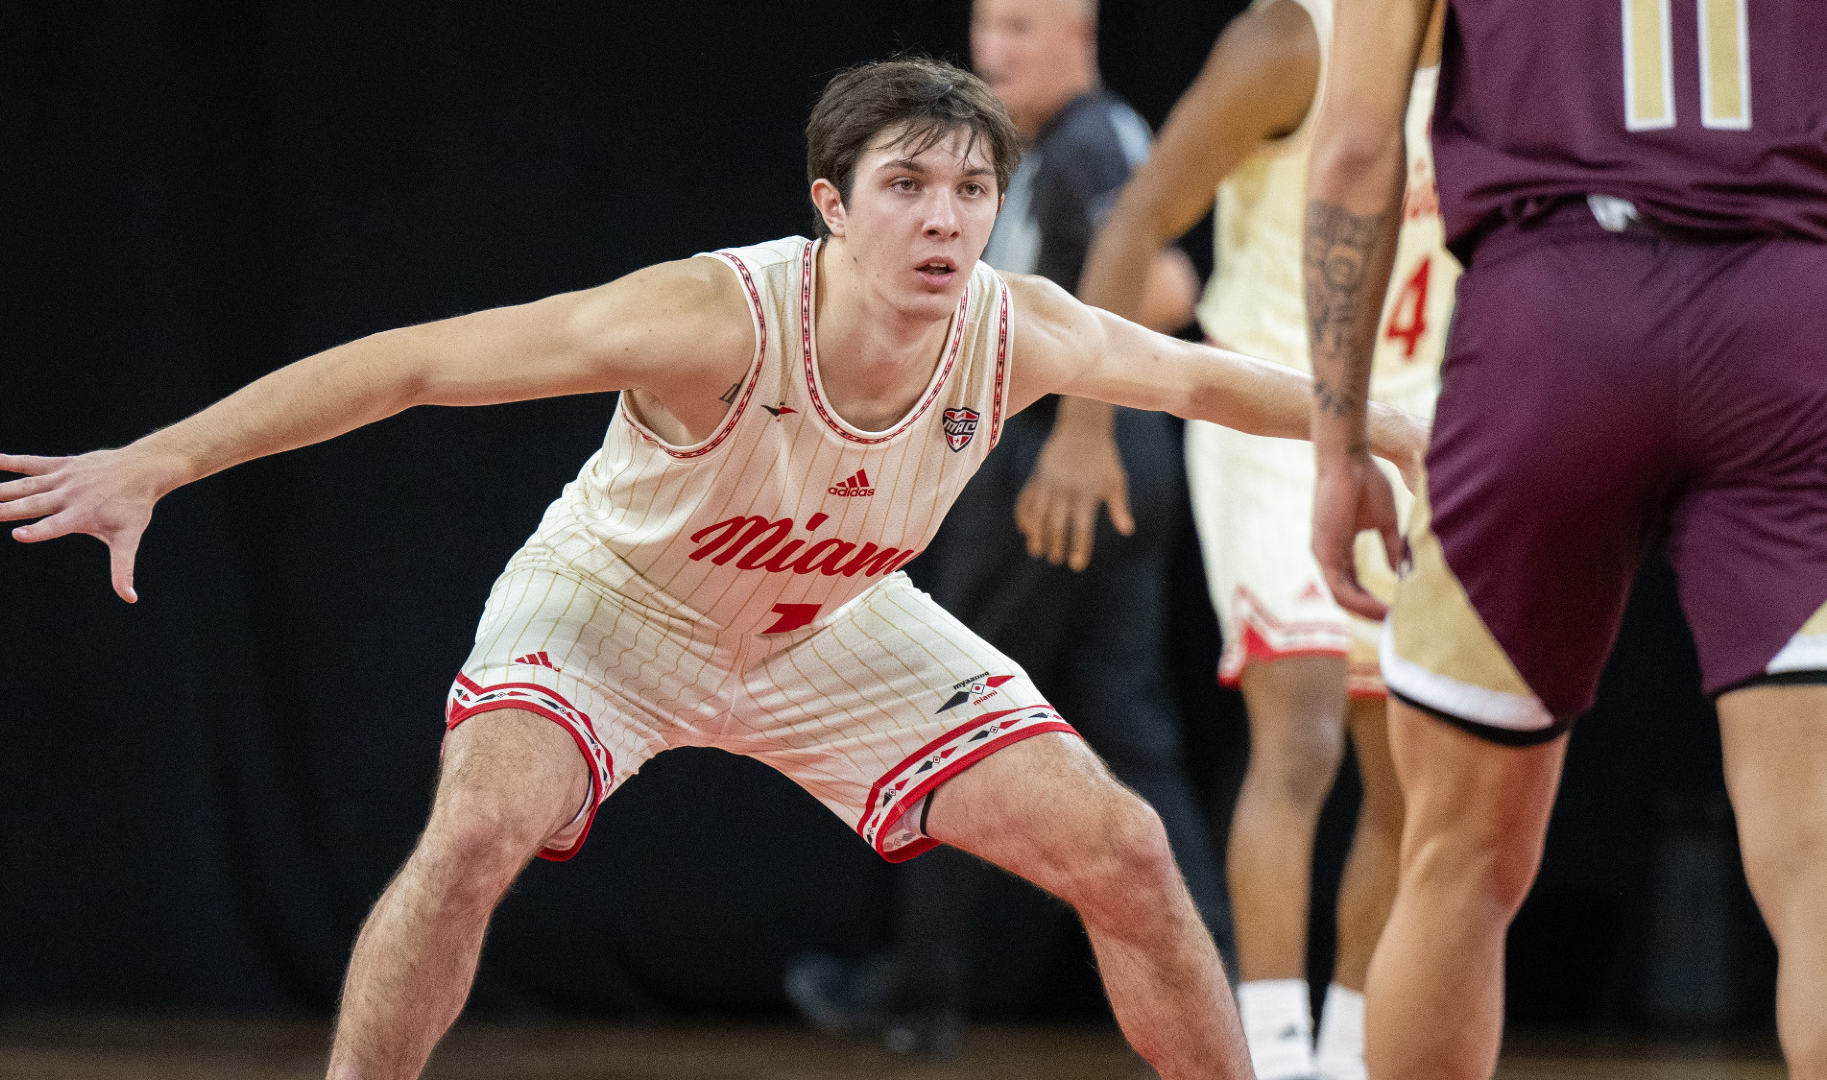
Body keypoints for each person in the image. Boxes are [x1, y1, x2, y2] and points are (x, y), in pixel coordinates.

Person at [0, 58, 1426, 1080]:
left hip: (833, 627)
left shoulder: (1017, 326)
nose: (943, 218)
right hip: (616, 606)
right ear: (832, 205)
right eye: (907, 185)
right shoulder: (710, 319)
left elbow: (1204, 378)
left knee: (1124, 850)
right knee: (478, 835)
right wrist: (161, 458)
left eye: (972, 189)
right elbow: (413, 364)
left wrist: (1397, 429)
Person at [1302, 0, 1827, 1076]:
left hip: (1552, 316)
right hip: (1790, 309)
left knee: (1454, 859)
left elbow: (1356, 144)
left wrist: (1337, 444)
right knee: (1821, 856)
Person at [781, 0, 1230, 1059]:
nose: (993, 51)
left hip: (1063, 463)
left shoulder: (1096, 139)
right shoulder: (1029, 150)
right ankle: (1214, 981)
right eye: (987, 28)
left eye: (1022, 27)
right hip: (1089, 458)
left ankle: (919, 984)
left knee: (949, 708)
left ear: (1082, 30)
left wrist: (1077, 417)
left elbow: (1168, 281)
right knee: (1127, 730)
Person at [1039, 0, 1457, 1075]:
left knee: (1411, 774)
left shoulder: (1518, 53)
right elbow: (1138, 218)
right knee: (1304, 739)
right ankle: (1268, 1053)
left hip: (1426, 429)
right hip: (1278, 420)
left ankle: (1353, 1055)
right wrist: (1086, 425)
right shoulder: (1290, 37)